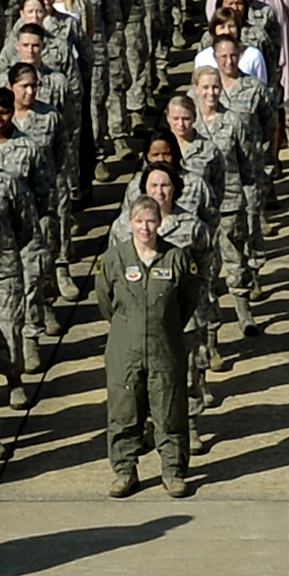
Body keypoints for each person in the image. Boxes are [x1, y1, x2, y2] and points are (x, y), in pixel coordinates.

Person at [102, 195, 204, 501]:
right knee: (124, 410)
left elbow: (188, 299)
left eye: (150, 220)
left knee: (170, 409)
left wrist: (163, 326)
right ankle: (125, 471)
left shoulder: (178, 259)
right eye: (139, 221)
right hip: (125, 347)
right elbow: (106, 302)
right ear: (129, 223)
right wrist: (132, 327)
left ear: (160, 223)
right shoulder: (114, 259)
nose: (145, 227)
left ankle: (173, 471)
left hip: (165, 346)